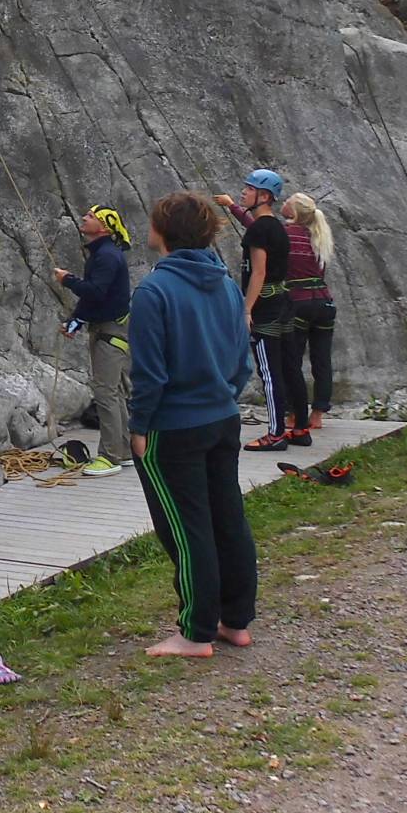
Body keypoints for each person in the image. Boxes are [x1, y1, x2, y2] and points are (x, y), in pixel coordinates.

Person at [126, 191, 259, 658]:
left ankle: (195, 632)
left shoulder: (152, 291)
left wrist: (139, 426)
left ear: (162, 231)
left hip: (173, 426)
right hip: (223, 417)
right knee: (228, 518)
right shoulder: (225, 284)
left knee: (186, 528)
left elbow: (149, 374)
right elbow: (240, 356)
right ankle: (235, 621)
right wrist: (225, 392)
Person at [213, 170, 309, 451]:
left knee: (269, 372)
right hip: (283, 303)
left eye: (248, 189)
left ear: (263, 196)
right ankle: (300, 427)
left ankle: (276, 433)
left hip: (265, 306)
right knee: (291, 367)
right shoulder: (277, 227)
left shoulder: (258, 231)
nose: (243, 192)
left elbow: (258, 272)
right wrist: (232, 205)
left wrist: (246, 309)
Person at [53, 206, 134, 476]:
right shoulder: (103, 253)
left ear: (104, 226)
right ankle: (123, 451)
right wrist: (75, 321)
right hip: (108, 330)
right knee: (115, 393)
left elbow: (96, 292)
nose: (84, 217)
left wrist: (68, 280)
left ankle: (110, 456)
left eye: (90, 216)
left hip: (110, 333)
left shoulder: (107, 256)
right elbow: (96, 299)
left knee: (106, 393)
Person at [281, 192, 338, 430]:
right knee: (322, 359)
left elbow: (257, 230)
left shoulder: (286, 234)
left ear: (293, 212)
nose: (283, 202)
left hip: (298, 302)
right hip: (324, 302)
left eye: (288, 201)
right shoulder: (318, 236)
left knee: (291, 361)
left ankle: (294, 413)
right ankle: (318, 414)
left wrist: (234, 208)